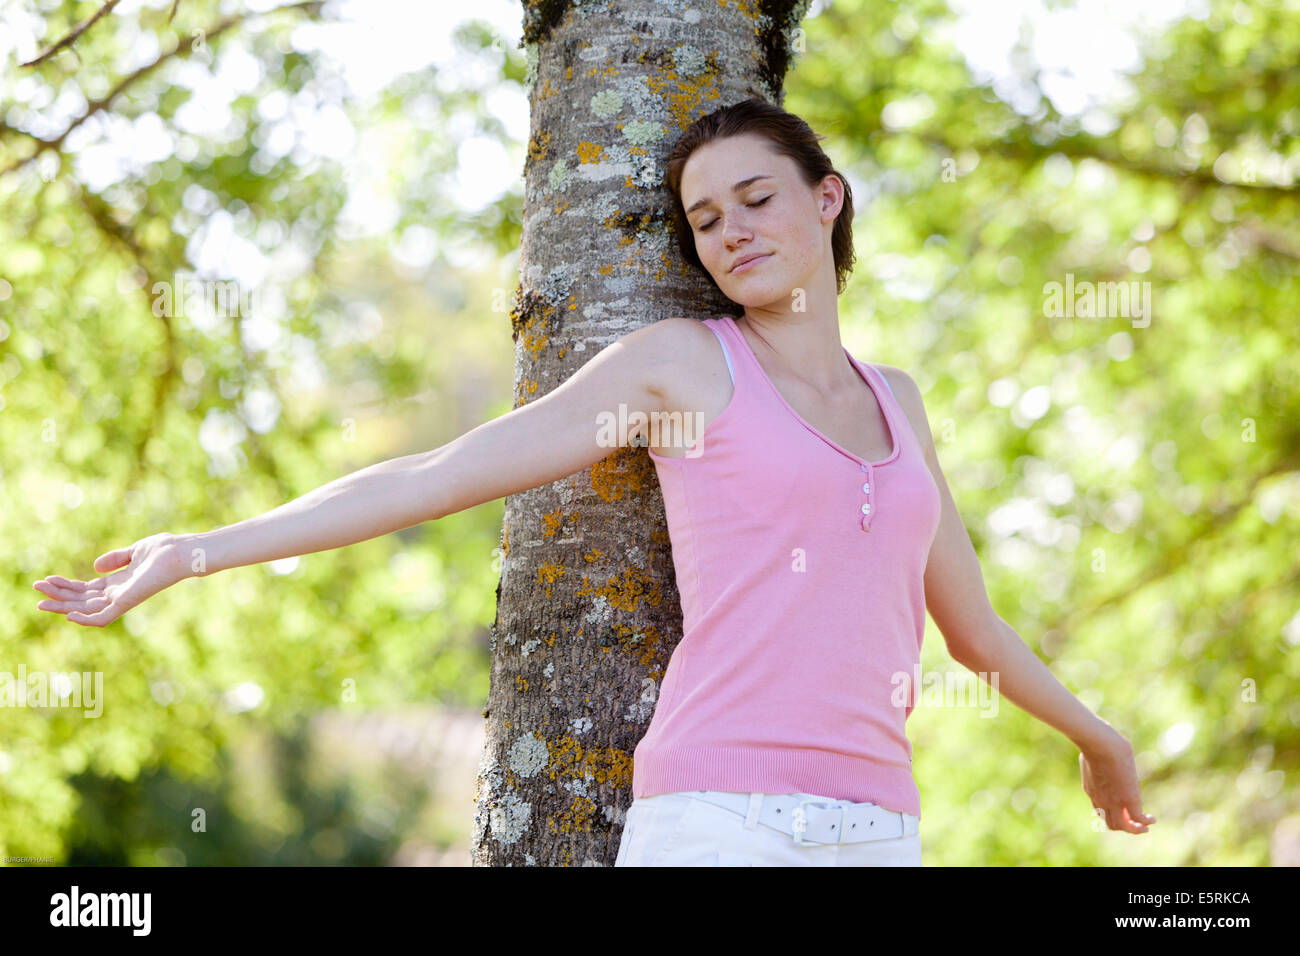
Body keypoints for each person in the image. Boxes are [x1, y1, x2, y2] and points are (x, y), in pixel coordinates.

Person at [33, 98, 1155, 866]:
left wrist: (1094, 733)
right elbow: (442, 470)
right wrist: (198, 549)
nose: (729, 233)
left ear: (828, 198)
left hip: (877, 826)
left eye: (756, 199)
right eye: (704, 220)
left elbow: (975, 635)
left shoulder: (898, 402)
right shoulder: (681, 367)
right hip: (718, 819)